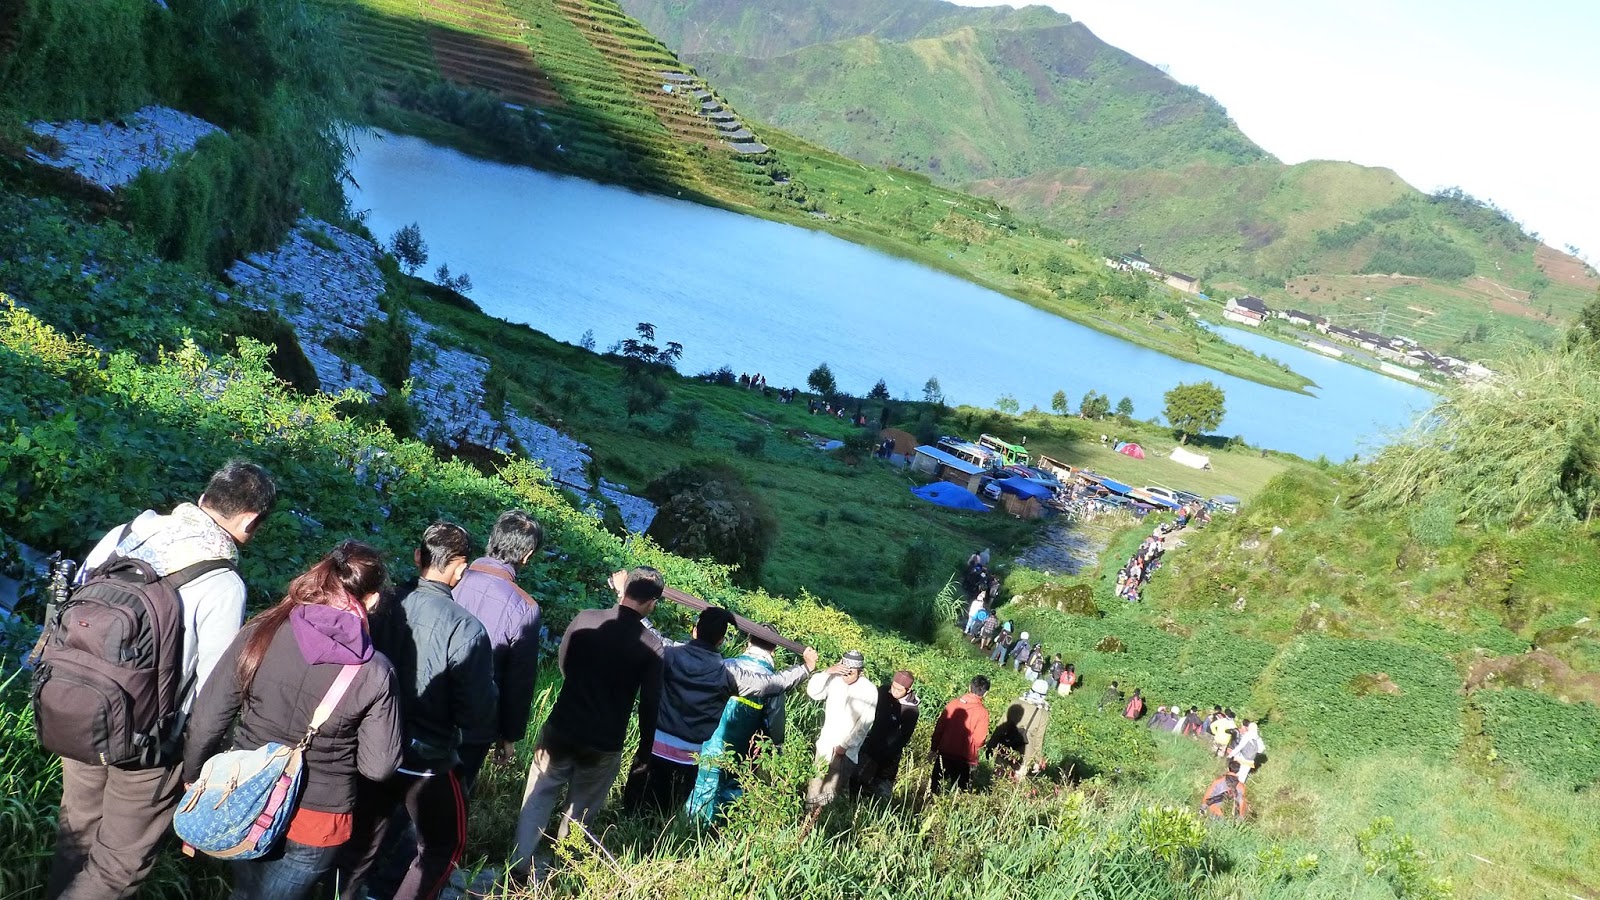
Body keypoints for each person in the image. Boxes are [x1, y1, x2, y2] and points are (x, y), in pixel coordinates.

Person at [47, 460, 277, 900]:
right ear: (250, 520)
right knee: (117, 866)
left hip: (77, 709)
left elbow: (71, 611)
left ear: (207, 496)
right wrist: (196, 762)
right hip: (147, 745)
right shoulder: (222, 582)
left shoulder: (127, 533)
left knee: (75, 835)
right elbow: (211, 689)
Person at [184, 542, 400, 900]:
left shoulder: (262, 631)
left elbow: (207, 719)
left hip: (244, 797)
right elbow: (378, 767)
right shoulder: (375, 672)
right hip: (317, 821)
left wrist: (194, 776)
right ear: (372, 600)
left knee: (245, 892)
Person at [339, 522, 495, 900]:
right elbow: (475, 711)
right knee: (444, 846)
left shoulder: (382, 604)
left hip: (371, 744)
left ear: (417, 557)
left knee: (362, 839)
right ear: (461, 568)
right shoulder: (466, 628)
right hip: (427, 756)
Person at [508, 567, 664, 884]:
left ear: (625, 590)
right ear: (653, 603)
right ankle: (561, 874)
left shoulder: (585, 619)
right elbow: (650, 704)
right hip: (605, 740)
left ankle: (518, 869)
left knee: (538, 797)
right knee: (580, 812)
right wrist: (645, 751)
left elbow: (564, 664)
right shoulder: (652, 647)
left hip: (562, 725)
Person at [451, 510, 545, 794]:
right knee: (454, 797)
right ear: (527, 556)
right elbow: (520, 681)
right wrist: (509, 735)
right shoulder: (525, 608)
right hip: (476, 721)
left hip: (424, 704)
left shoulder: (450, 577)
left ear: (492, 539)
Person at [686, 625, 817, 826]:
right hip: (745, 749)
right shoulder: (772, 682)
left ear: (748, 642)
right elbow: (775, 722)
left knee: (704, 784)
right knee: (733, 787)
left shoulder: (726, 666)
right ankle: (719, 833)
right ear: (774, 649)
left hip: (708, 742)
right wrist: (777, 746)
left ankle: (690, 829)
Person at [623, 606, 741, 814]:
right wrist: (804, 669)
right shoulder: (727, 675)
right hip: (687, 759)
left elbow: (651, 633)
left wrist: (624, 596)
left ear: (694, 630)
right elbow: (771, 683)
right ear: (721, 640)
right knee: (664, 817)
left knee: (632, 810)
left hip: (653, 748)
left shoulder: (669, 654)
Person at [804, 651, 877, 816]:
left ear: (860, 671)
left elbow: (865, 723)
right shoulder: (835, 680)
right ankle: (806, 820)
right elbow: (813, 692)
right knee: (814, 787)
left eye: (851, 672)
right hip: (825, 745)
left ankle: (820, 823)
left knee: (830, 793)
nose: (846, 675)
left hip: (846, 752)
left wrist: (845, 745)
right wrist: (828, 671)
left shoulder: (869, 690)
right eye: (844, 670)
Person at [853, 671, 920, 798]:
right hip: (871, 742)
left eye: (899, 690)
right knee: (857, 778)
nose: (894, 691)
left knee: (881, 789)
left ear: (908, 690)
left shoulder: (911, 710)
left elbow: (905, 736)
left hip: (890, 752)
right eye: (893, 686)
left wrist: (888, 752)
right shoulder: (883, 692)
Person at [929, 676, 990, 793]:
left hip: (944, 753)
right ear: (985, 693)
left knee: (935, 788)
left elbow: (939, 728)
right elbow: (978, 740)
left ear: (969, 687)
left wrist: (933, 748)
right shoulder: (982, 712)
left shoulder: (953, 704)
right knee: (961, 793)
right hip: (965, 759)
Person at [987, 680, 1052, 781]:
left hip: (1006, 746)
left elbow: (1001, 726)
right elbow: (1039, 740)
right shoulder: (1043, 712)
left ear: (1031, 689)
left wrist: (991, 745)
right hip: (1026, 753)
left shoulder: (1016, 702)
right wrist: (1037, 760)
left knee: (998, 776)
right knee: (1016, 782)